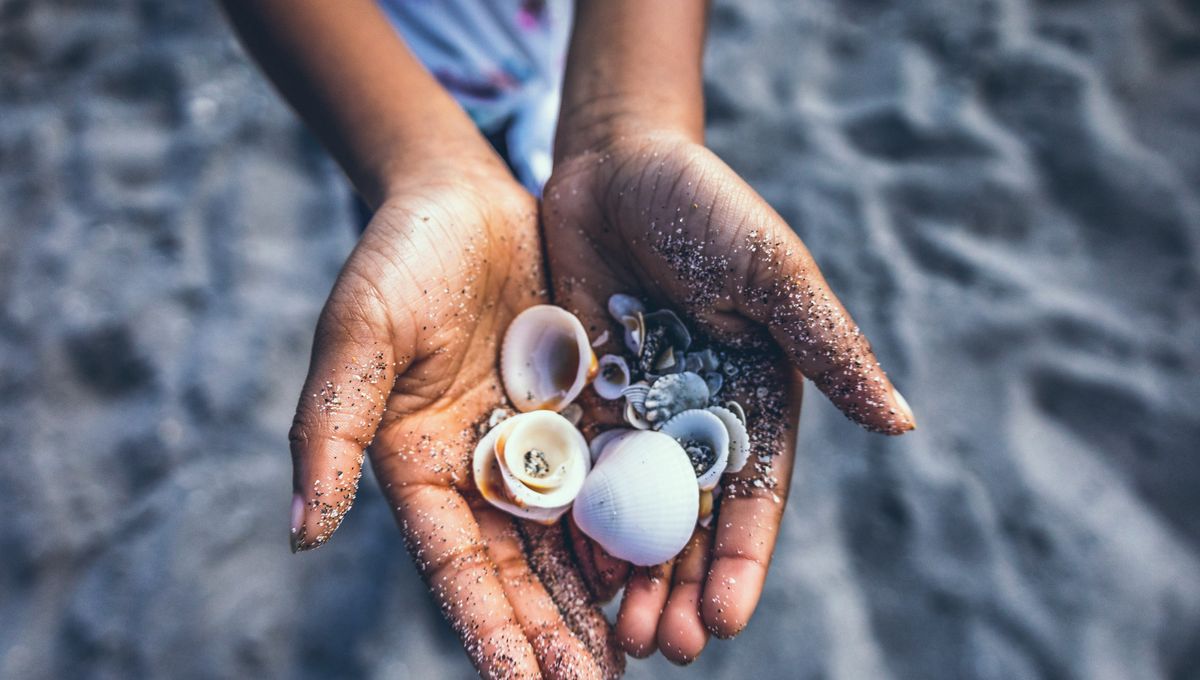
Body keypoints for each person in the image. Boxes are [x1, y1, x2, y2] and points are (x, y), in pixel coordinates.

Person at [221, 1, 916, 677]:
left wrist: (628, 121)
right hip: (384, 102)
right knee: (416, 332)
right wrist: (426, 164)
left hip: (584, 75)